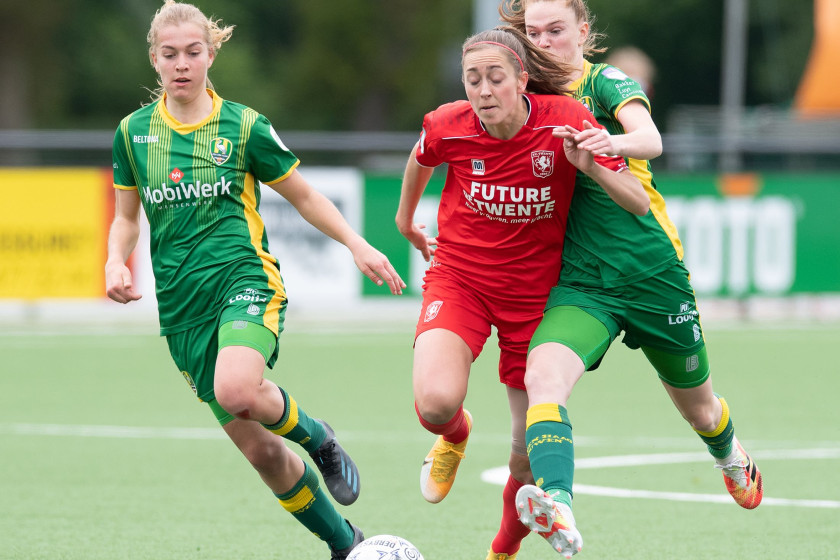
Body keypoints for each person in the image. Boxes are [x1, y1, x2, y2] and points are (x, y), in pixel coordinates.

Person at [105, 2, 405, 558]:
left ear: (211, 54)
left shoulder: (243, 125)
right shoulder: (132, 134)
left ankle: (320, 437)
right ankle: (346, 546)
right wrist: (114, 260)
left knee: (238, 389)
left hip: (245, 281)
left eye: (193, 52)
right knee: (263, 454)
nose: (182, 64)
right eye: (170, 54)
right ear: (154, 59)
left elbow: (306, 196)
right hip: (182, 312)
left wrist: (357, 243)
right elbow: (126, 218)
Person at [492, 1, 765, 558]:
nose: (544, 42)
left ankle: (728, 452)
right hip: (583, 283)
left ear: (582, 31)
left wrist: (606, 144)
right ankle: (559, 503)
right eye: (533, 33)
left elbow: (650, 137)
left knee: (700, 409)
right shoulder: (524, 103)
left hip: (651, 273)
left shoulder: (606, 81)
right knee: (542, 376)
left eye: (556, 30)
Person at [395, 25, 647, 560]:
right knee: (436, 403)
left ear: (522, 79)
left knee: (523, 458)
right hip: (460, 277)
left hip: (535, 297)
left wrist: (591, 166)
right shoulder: (448, 124)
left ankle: (501, 552)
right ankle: (454, 436)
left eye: (495, 78)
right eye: (473, 80)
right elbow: (421, 158)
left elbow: (637, 202)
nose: (484, 91)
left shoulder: (567, 122)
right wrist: (406, 223)